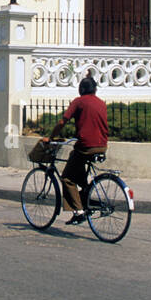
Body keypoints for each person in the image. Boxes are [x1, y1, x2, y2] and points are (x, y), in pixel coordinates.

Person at [43, 71, 108, 225]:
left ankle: (78, 212)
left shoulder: (79, 102)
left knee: (67, 178)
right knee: (78, 171)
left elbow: (61, 122)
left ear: (81, 90)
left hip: (85, 147)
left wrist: (51, 138)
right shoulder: (101, 103)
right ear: (95, 90)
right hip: (102, 146)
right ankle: (85, 196)